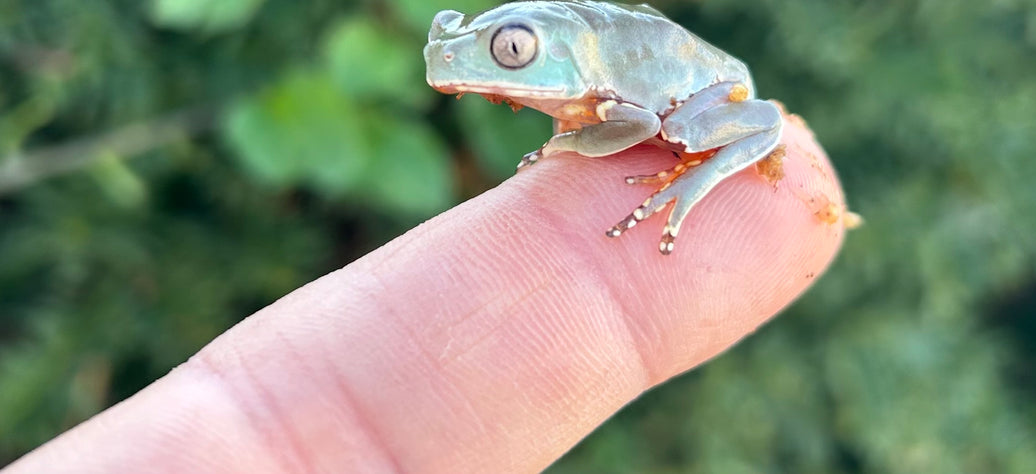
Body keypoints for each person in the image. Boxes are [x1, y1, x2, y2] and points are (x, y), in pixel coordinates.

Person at [6, 119, 844, 473]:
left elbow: (628, 122)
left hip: (700, 111)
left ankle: (691, 189)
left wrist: (587, 139)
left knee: (687, 149)